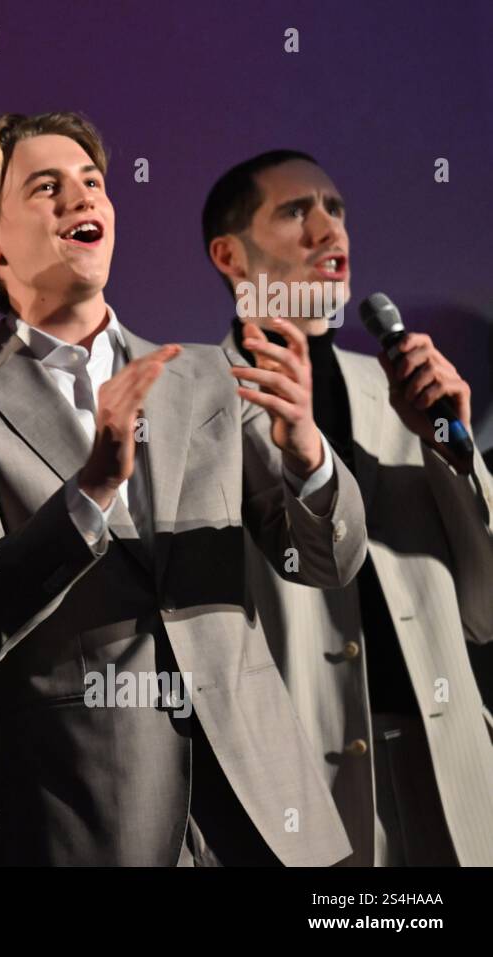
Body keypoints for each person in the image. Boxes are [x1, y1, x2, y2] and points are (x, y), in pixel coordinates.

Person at [0, 112, 368, 866]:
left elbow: (325, 562)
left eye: (92, 183)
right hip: (92, 817)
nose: (82, 200)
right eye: (46, 188)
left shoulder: (208, 375)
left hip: (267, 804)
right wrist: (93, 487)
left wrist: (307, 452)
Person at [205, 149, 493, 865]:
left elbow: (486, 611)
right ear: (230, 256)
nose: (328, 229)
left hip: (450, 775)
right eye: (296, 211)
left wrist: (453, 448)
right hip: (299, 787)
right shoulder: (195, 400)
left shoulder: (404, 393)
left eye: (335, 209)